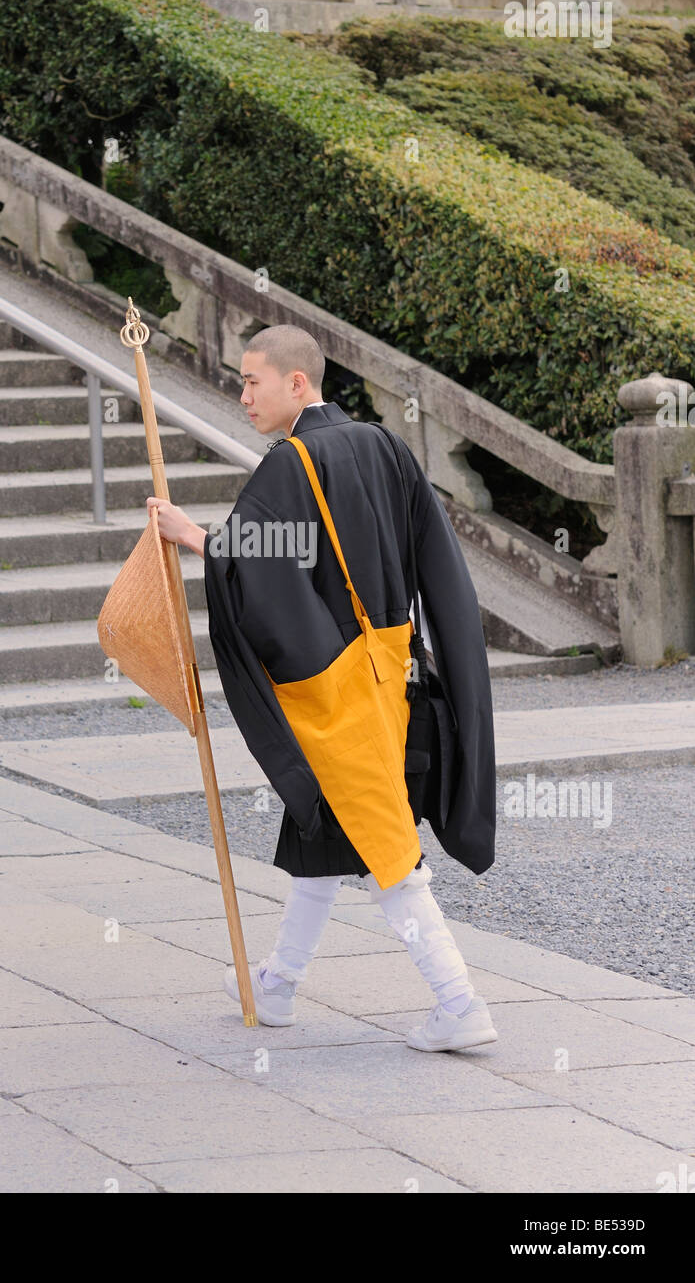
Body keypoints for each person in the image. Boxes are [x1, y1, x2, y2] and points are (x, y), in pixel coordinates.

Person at [146, 325, 498, 1051]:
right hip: (391, 665)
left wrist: (194, 537)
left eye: (253, 381)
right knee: (324, 831)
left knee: (385, 848)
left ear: (297, 384)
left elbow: (263, 568)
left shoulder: (289, 464)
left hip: (336, 687)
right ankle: (277, 985)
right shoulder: (381, 445)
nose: (243, 395)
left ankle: (458, 1001)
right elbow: (425, 551)